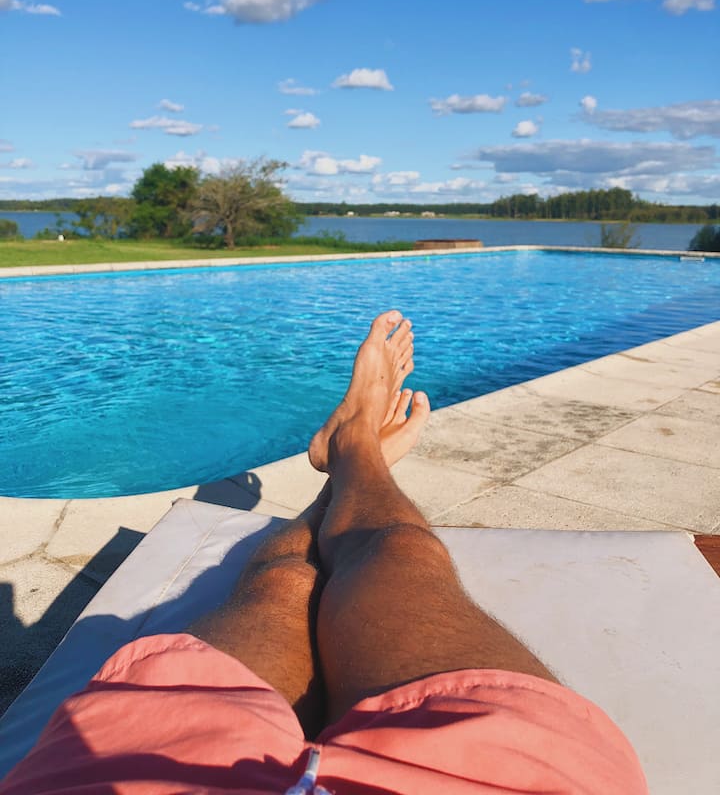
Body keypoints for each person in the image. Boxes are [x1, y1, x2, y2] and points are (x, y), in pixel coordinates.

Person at [0, 311, 648, 795]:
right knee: (391, 550)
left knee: (280, 584)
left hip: (143, 768)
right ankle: (353, 450)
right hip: (493, 770)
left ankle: (349, 451)